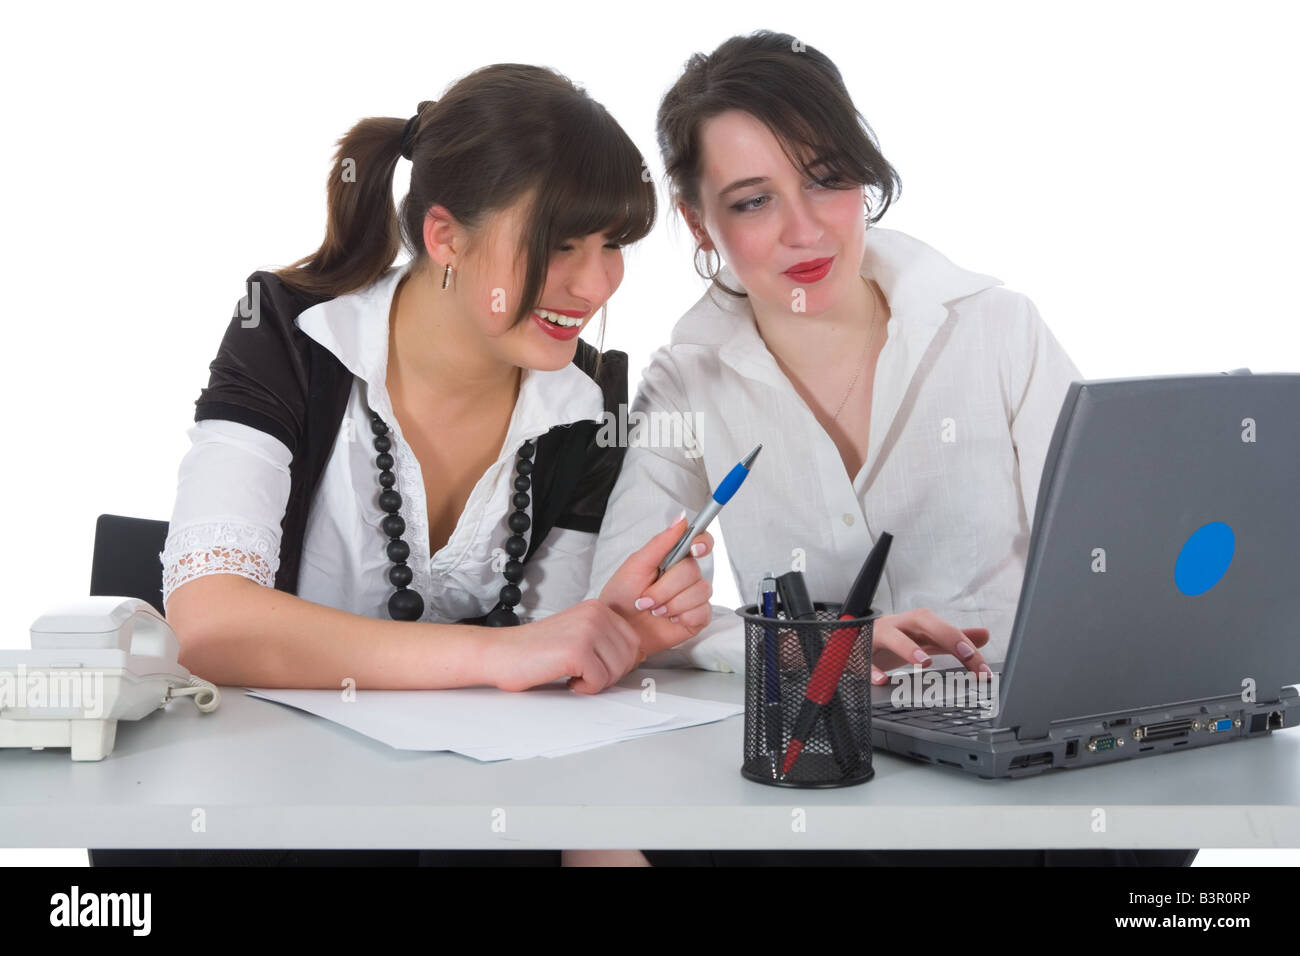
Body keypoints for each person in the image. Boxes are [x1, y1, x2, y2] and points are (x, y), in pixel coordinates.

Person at [586, 30, 1196, 867]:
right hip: (822, 756)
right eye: (754, 201)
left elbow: (1123, 561)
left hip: (1016, 747)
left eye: (827, 180)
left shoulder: (994, 329)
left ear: (863, 177)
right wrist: (802, 648)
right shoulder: (688, 380)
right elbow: (623, 609)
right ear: (698, 220)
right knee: (607, 836)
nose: (806, 231)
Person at [88, 64, 716, 869]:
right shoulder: (290, 333)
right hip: (259, 808)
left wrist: (614, 635)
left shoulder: (590, 401)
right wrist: (498, 656)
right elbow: (210, 623)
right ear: (444, 236)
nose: (596, 284)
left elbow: (543, 670)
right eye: (561, 245)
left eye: (612, 245)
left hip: (459, 812)